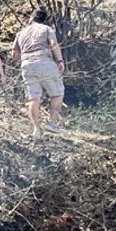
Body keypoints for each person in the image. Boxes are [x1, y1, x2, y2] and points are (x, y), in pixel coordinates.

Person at [12, 7, 67, 137]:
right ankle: (52, 124)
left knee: (33, 97)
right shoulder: (47, 29)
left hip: (26, 65)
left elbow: (14, 54)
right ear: (44, 20)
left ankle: (36, 128)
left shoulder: (21, 33)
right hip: (44, 62)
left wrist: (27, 58)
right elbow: (53, 44)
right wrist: (60, 60)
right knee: (58, 93)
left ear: (32, 18)